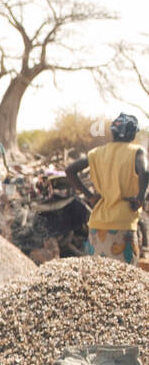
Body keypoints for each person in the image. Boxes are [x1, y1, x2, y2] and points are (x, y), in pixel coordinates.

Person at [66, 113, 148, 264]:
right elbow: (145, 171)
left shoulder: (97, 153)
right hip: (124, 224)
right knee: (125, 279)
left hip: (97, 225)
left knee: (99, 279)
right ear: (132, 132)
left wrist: (89, 196)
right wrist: (140, 198)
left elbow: (70, 170)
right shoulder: (136, 151)